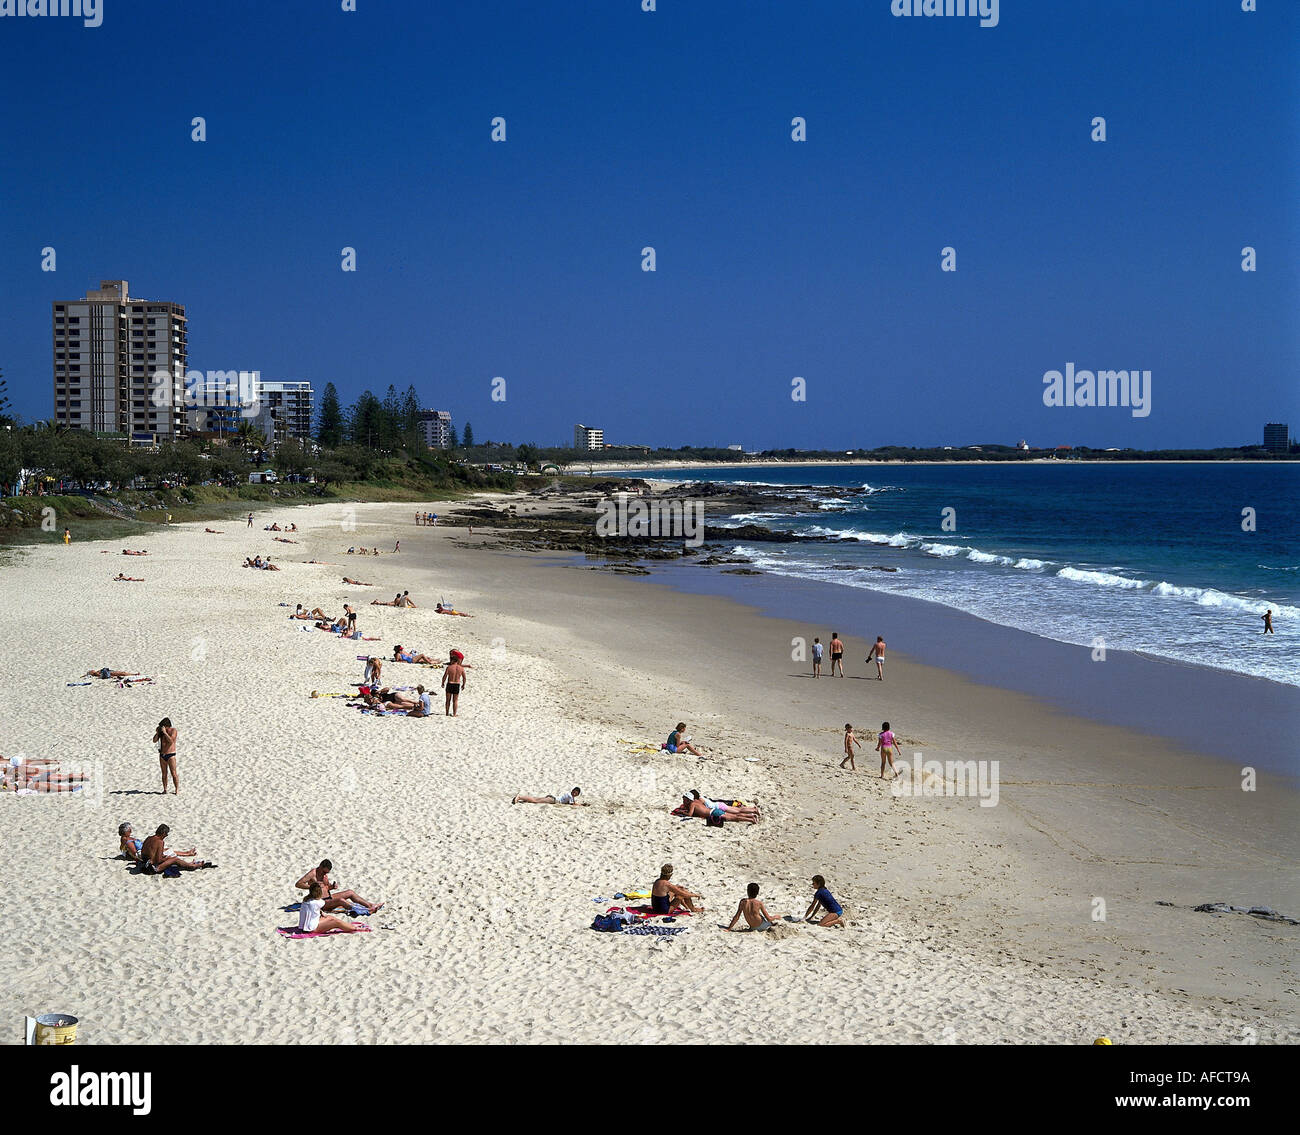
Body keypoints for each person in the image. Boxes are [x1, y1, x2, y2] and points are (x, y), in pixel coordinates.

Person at [295, 859, 383, 914]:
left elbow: (326, 887)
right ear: (320, 867)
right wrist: (312, 887)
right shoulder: (313, 873)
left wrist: (331, 887)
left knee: (350, 892)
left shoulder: (324, 875)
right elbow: (298, 884)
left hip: (329, 897)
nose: (325, 874)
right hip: (321, 902)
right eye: (324, 872)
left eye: (327, 873)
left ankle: (370, 905)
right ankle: (365, 911)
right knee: (341, 901)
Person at [298, 881, 366, 934]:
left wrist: (322, 913)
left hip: (303, 927)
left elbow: (315, 909)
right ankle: (355, 928)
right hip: (311, 929)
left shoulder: (306, 900)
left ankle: (349, 926)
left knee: (330, 917)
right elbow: (328, 904)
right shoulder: (318, 902)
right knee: (336, 922)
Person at [140, 825, 213, 872]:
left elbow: (143, 853)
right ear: (163, 833)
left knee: (168, 851)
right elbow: (159, 860)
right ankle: (193, 865)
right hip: (153, 868)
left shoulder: (148, 838)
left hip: (144, 863)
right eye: (166, 834)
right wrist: (167, 858)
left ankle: (188, 854)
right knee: (175, 859)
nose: (166, 836)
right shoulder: (160, 842)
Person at [153, 717, 179, 795]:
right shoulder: (161, 732)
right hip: (162, 755)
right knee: (164, 773)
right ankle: (165, 789)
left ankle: (177, 789)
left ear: (167, 726)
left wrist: (165, 733)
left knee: (173, 773)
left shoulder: (173, 731)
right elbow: (154, 741)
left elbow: (171, 741)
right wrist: (158, 733)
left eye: (163, 726)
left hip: (171, 755)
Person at [442, 650, 466, 715]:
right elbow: (464, 677)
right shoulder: (461, 668)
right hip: (457, 685)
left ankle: (447, 713)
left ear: (452, 660)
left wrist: (443, 683)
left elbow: (445, 676)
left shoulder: (449, 667)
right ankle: (454, 714)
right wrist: (463, 685)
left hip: (450, 684)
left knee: (448, 700)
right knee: (455, 701)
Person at [512, 787, 585, 805]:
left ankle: (523, 798)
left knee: (535, 799)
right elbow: (573, 804)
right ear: (572, 791)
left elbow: (572, 802)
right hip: (553, 800)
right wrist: (581, 805)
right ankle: (519, 797)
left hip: (552, 798)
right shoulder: (570, 796)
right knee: (535, 801)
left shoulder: (570, 796)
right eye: (574, 792)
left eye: (576, 794)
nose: (575, 794)